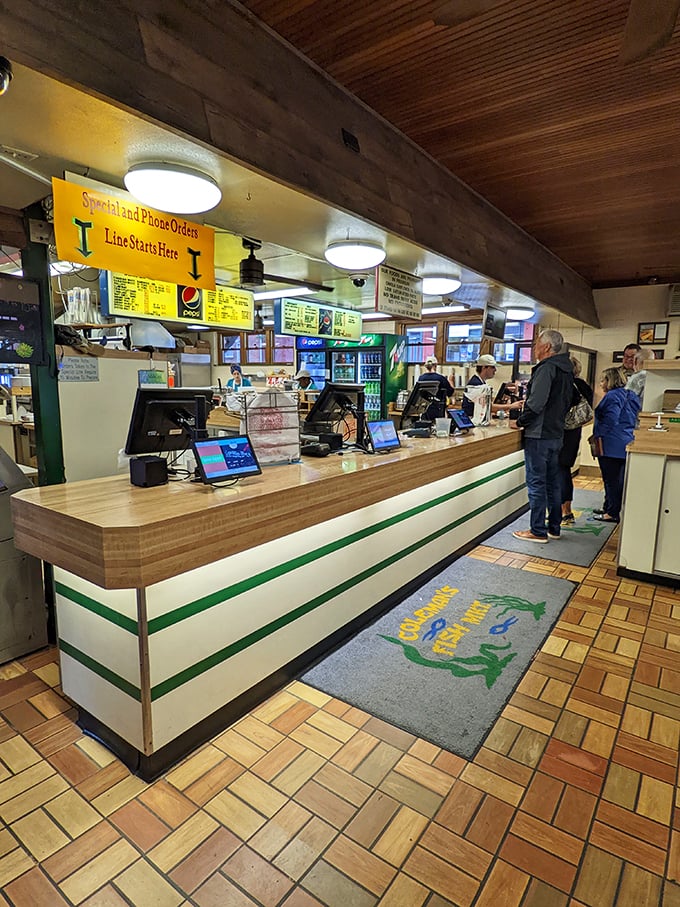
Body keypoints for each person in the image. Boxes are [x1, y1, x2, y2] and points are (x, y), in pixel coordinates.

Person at [509, 329, 574, 543]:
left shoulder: (546, 368)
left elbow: (536, 403)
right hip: (557, 433)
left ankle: (537, 530)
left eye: (537, 344)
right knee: (552, 483)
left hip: (539, 435)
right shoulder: (566, 369)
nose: (534, 348)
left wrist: (519, 422)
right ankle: (553, 527)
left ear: (546, 347)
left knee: (537, 483)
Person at [591, 367, 641, 523]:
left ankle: (612, 512)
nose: (601, 383)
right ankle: (609, 507)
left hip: (611, 443)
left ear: (610, 380)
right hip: (626, 440)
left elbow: (612, 418)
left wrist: (598, 434)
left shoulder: (612, 396)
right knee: (617, 479)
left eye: (603, 380)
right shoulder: (631, 395)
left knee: (610, 479)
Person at [559, 357, 593, 525]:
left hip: (561, 432)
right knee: (565, 470)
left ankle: (563, 512)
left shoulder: (565, 385)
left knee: (560, 471)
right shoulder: (583, 385)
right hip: (574, 432)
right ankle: (566, 510)